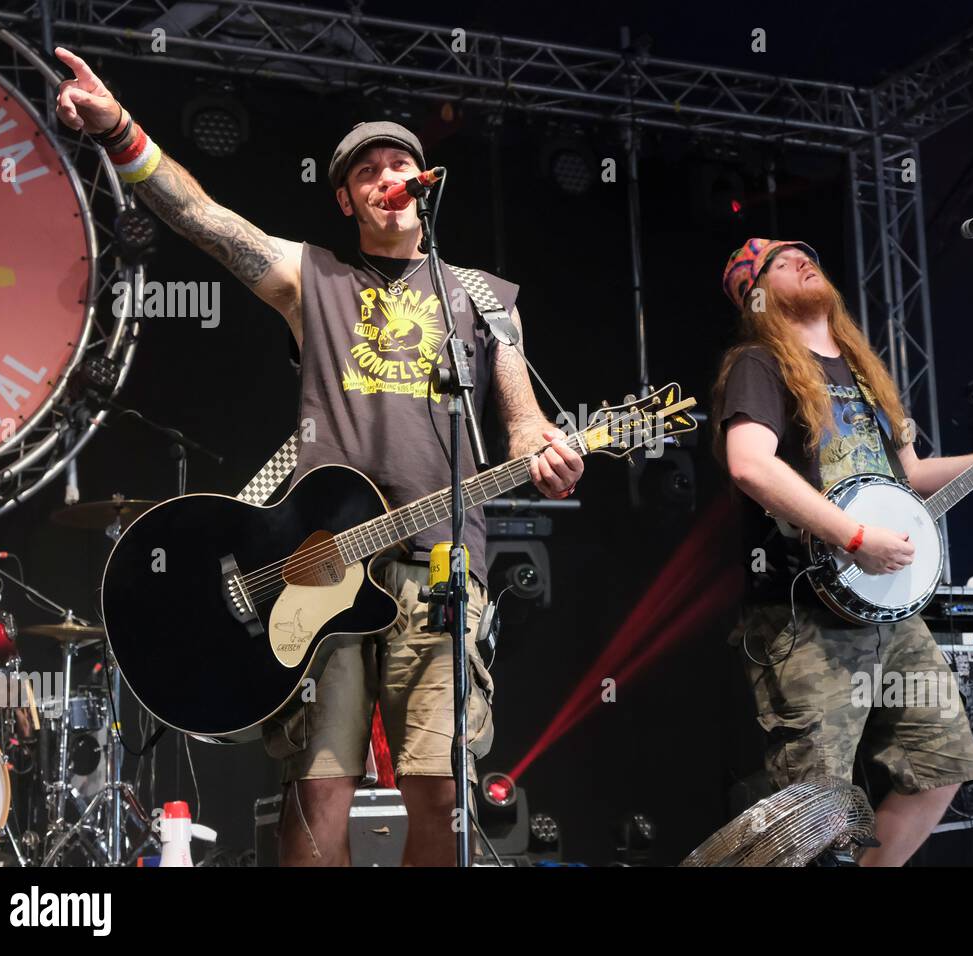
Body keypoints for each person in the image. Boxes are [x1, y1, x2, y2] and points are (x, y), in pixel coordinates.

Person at [53, 47, 583, 866]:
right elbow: (207, 220)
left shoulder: (484, 297)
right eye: (367, 170)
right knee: (319, 790)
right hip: (323, 566)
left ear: (425, 180)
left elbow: (522, 423)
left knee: (440, 791)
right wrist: (120, 128)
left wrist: (546, 451)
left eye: (400, 162)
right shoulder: (315, 277)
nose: (387, 176)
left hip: (441, 567)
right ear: (347, 198)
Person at [712, 238, 973, 865]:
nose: (800, 260)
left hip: (889, 613)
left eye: (804, 254)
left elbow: (914, 475)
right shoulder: (759, 363)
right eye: (778, 263)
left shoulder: (866, 371)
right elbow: (749, 463)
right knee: (814, 814)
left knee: (944, 761)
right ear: (755, 294)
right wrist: (854, 537)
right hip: (804, 617)